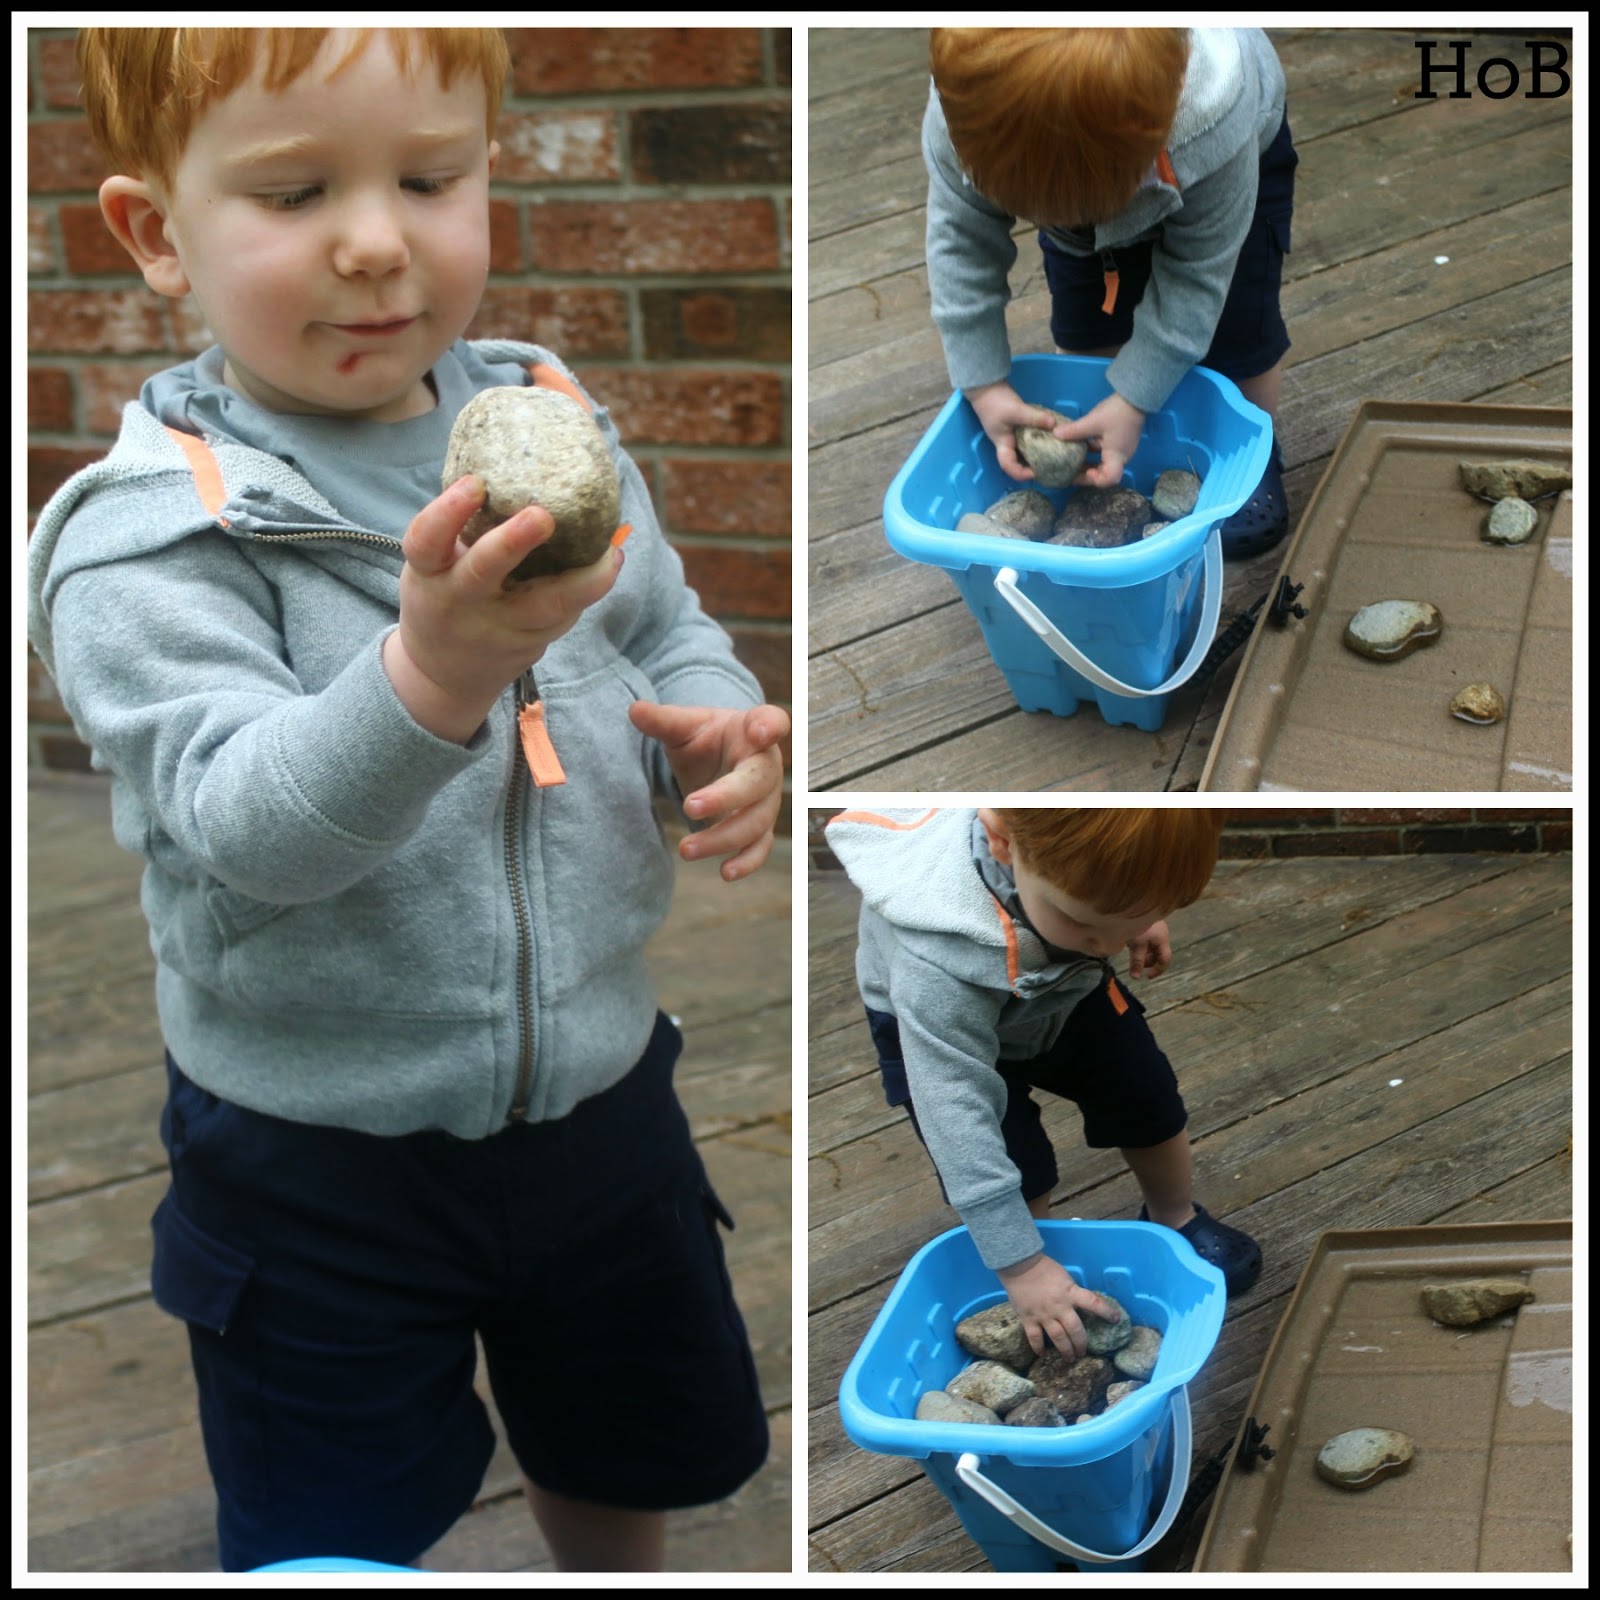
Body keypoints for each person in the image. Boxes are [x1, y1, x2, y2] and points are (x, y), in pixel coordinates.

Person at [27, 27, 785, 1574]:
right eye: (297, 191)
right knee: (335, 1515)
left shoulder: (549, 420)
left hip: (598, 1095)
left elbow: (660, 623)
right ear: (157, 236)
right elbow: (245, 824)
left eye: (429, 177)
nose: (378, 239)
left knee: (616, 1430)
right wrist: (430, 676)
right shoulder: (148, 542)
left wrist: (705, 728)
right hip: (313, 1154)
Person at [826, 806, 1261, 1362]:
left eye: (1140, 915)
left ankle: (1175, 1218)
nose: (1109, 943)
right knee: (1013, 1152)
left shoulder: (1080, 902)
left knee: (1145, 1093)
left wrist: (1134, 917)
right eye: (1087, 922)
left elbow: (1106, 910)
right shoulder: (932, 964)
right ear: (1002, 844)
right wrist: (1021, 1264)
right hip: (948, 1021)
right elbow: (957, 1123)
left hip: (1063, 987)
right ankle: (1043, 1259)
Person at [923, 27, 1297, 557]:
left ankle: (1248, 451)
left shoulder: (1213, 115)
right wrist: (984, 386)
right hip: (1102, 171)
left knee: (1240, 335)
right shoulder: (965, 119)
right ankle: (1112, 434)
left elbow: (1197, 274)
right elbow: (961, 247)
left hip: (1225, 167)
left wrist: (1138, 396)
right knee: (1090, 330)